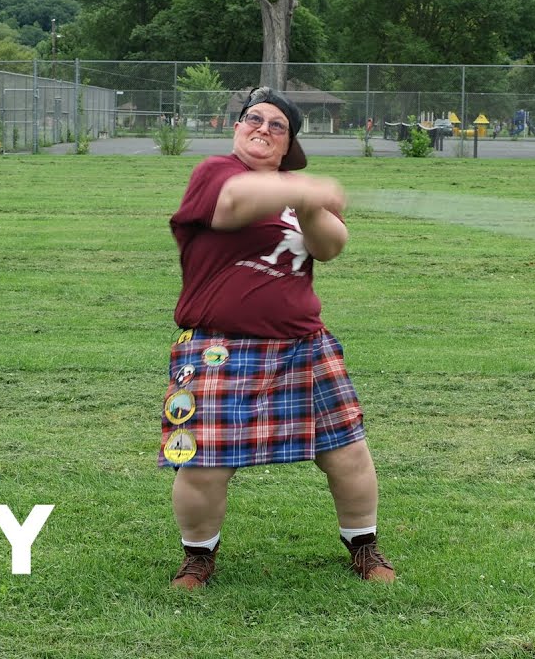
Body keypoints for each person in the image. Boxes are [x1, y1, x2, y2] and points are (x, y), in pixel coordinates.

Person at [159, 86, 394, 590]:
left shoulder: (296, 193)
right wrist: (305, 190)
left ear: (288, 146)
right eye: (253, 119)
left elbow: (331, 246)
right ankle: (198, 557)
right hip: (219, 347)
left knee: (346, 450)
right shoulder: (217, 173)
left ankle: (364, 546)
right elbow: (234, 203)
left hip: (303, 343)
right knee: (204, 464)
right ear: (237, 127)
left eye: (276, 126)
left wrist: (308, 206)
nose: (262, 128)